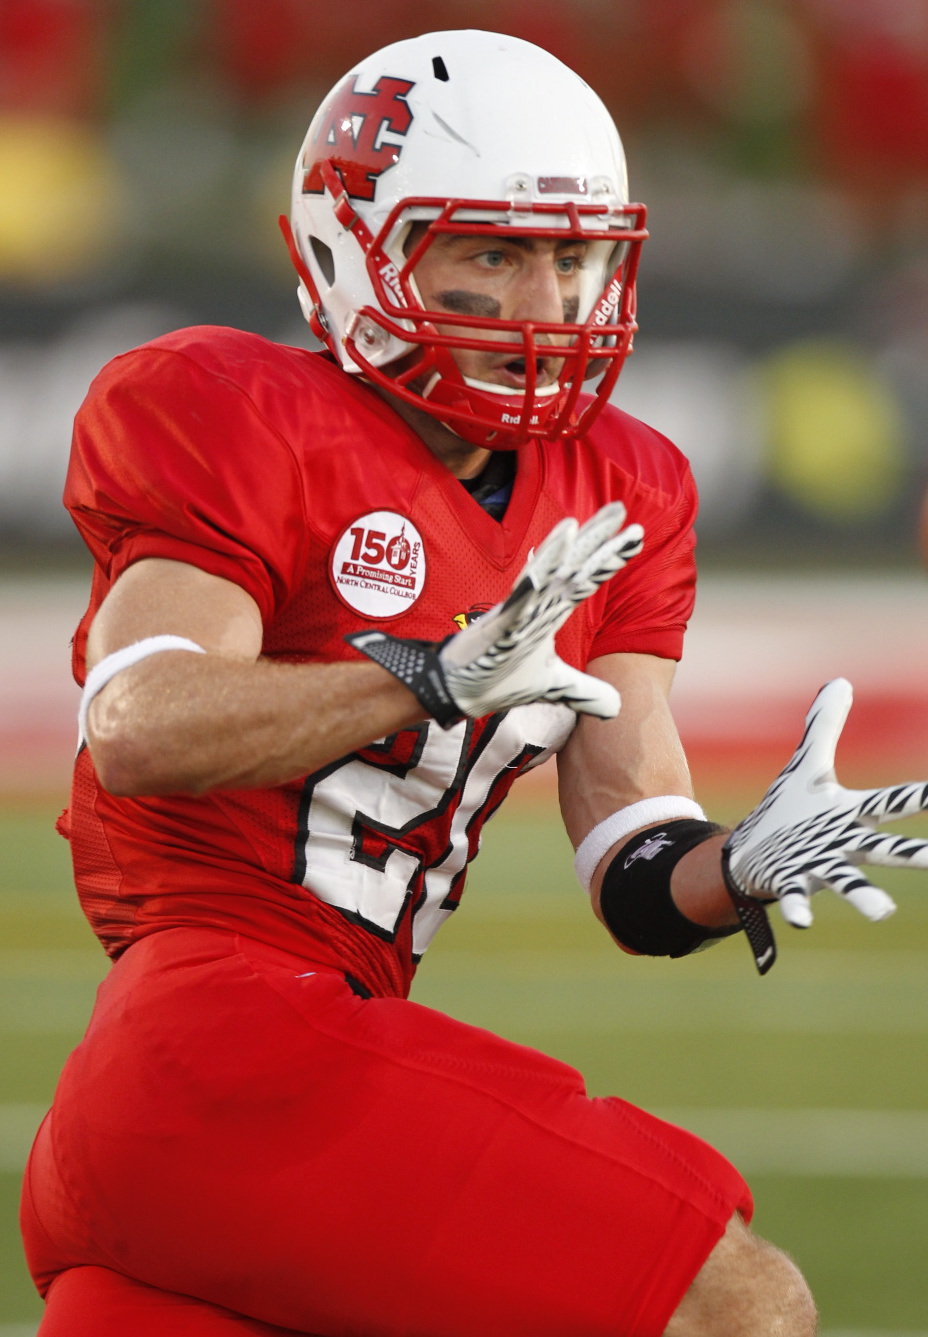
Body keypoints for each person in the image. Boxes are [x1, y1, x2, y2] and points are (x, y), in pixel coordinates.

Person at [20, 29, 928, 1337]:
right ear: (354, 247)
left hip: (245, 1098)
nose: (549, 299)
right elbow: (142, 725)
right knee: (736, 1302)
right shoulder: (234, 407)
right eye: (494, 252)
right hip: (215, 1044)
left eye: (571, 255)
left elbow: (630, 852)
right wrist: (423, 678)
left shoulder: (628, 483)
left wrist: (734, 867)